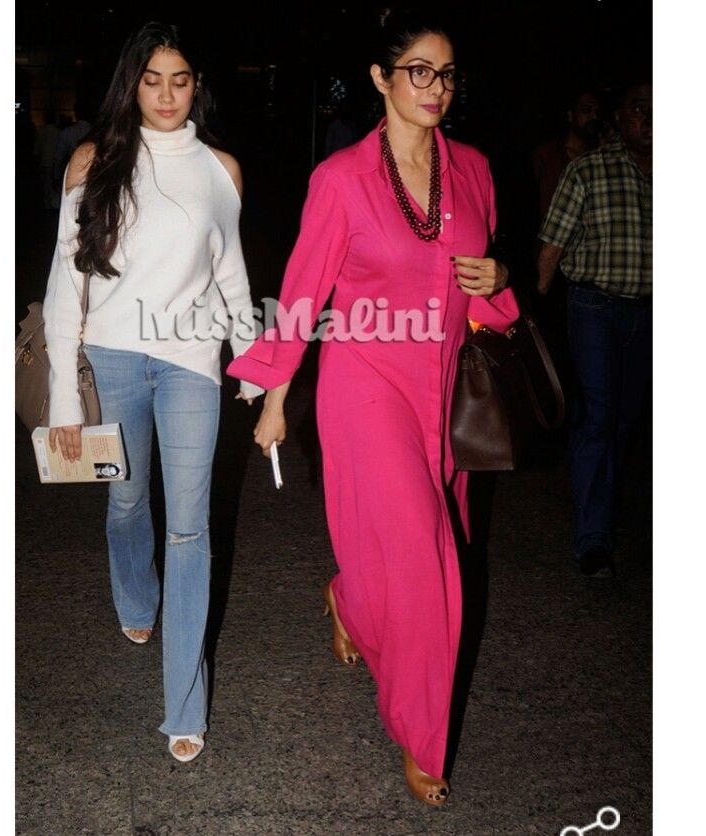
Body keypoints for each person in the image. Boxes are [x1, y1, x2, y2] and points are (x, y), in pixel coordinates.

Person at [228, 13, 518, 805]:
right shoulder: (344, 178)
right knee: (430, 567)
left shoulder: (474, 172)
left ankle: (347, 599)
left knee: (425, 546)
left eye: (447, 73)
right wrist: (274, 398)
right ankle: (421, 734)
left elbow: (488, 301)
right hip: (365, 387)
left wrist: (497, 282)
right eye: (418, 71)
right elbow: (302, 290)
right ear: (381, 79)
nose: (435, 87)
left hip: (447, 394)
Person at [42, 21, 263, 762]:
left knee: (190, 528)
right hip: (110, 355)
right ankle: (135, 594)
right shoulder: (93, 160)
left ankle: (183, 707)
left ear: (197, 84)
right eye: (152, 79)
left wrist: (253, 358)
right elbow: (65, 285)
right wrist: (65, 404)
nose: (167, 94)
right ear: (130, 84)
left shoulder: (220, 169)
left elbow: (230, 272)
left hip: (191, 363)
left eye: (181, 79)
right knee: (128, 498)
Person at [536, 79, 652, 577]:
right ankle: (593, 540)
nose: (649, 119)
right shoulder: (587, 171)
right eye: (639, 108)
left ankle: (605, 505)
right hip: (595, 310)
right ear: (619, 118)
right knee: (599, 418)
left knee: (626, 420)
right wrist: (534, 310)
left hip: (653, 315)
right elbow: (553, 246)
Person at [532, 87, 603, 223]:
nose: (593, 117)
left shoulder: (602, 157)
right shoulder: (546, 155)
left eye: (597, 112)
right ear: (571, 115)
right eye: (586, 110)